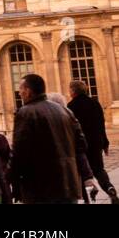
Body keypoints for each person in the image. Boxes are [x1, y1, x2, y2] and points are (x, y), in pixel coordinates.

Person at [8, 73, 81, 204]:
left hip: (41, 187)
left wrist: (10, 178)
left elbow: (19, 152)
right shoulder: (65, 111)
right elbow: (82, 145)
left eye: (21, 89)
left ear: (28, 91)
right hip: (68, 183)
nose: (19, 93)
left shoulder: (25, 112)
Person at [68, 80, 117, 203]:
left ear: (73, 91)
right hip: (96, 142)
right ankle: (109, 187)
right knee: (99, 169)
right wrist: (105, 143)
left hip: (80, 146)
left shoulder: (70, 106)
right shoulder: (95, 103)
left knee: (81, 173)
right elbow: (101, 125)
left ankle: (87, 199)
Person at [47, 92, 96, 202]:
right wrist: (88, 177)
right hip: (70, 177)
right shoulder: (71, 120)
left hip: (48, 181)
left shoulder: (41, 124)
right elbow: (81, 150)